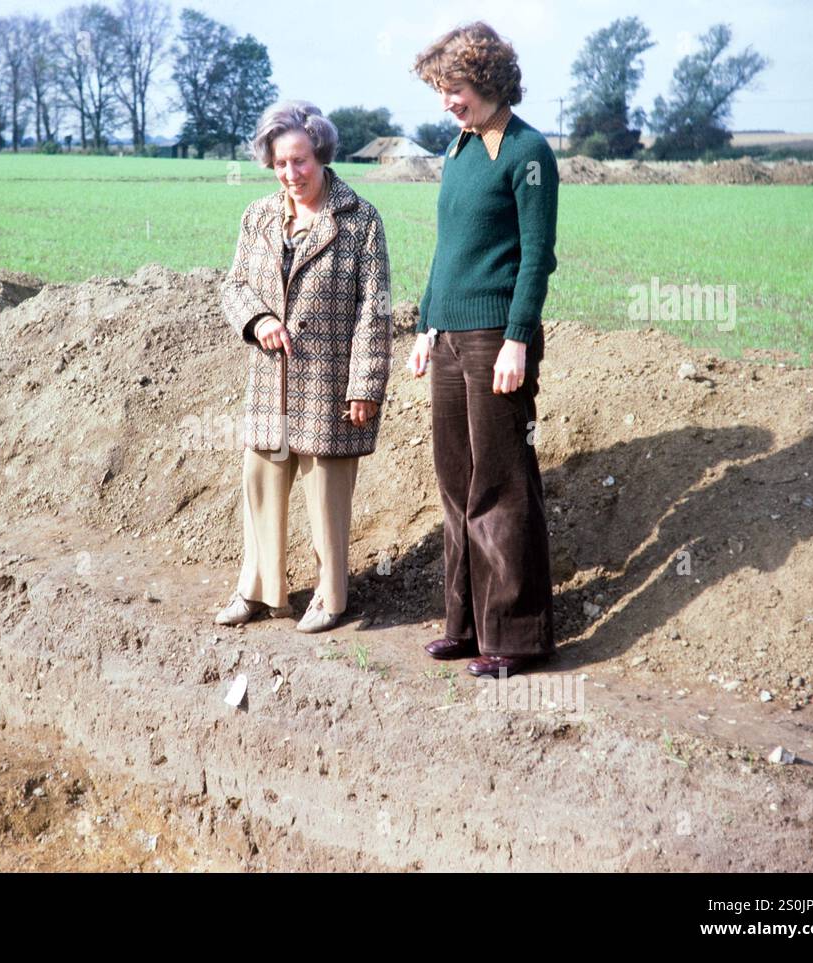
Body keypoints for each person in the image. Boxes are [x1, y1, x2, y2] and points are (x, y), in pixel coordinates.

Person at [407, 22, 560, 677]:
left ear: (492, 81)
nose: (447, 101)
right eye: (441, 89)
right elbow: (448, 249)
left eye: (457, 88)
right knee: (455, 481)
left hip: (498, 336)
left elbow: (536, 256)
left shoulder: (527, 151)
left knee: (502, 483)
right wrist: (425, 324)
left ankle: (518, 638)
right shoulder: (460, 147)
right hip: (447, 334)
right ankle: (465, 625)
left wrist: (518, 340)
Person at [216, 100, 393, 633]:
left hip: (331, 384)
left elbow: (375, 308)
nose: (290, 175)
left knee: (327, 499)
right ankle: (259, 591)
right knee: (261, 485)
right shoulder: (258, 215)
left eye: (300, 162)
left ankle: (330, 597)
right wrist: (259, 320)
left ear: (321, 155)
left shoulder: (361, 221)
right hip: (271, 381)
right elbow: (235, 286)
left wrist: (365, 384)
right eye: (279, 164)